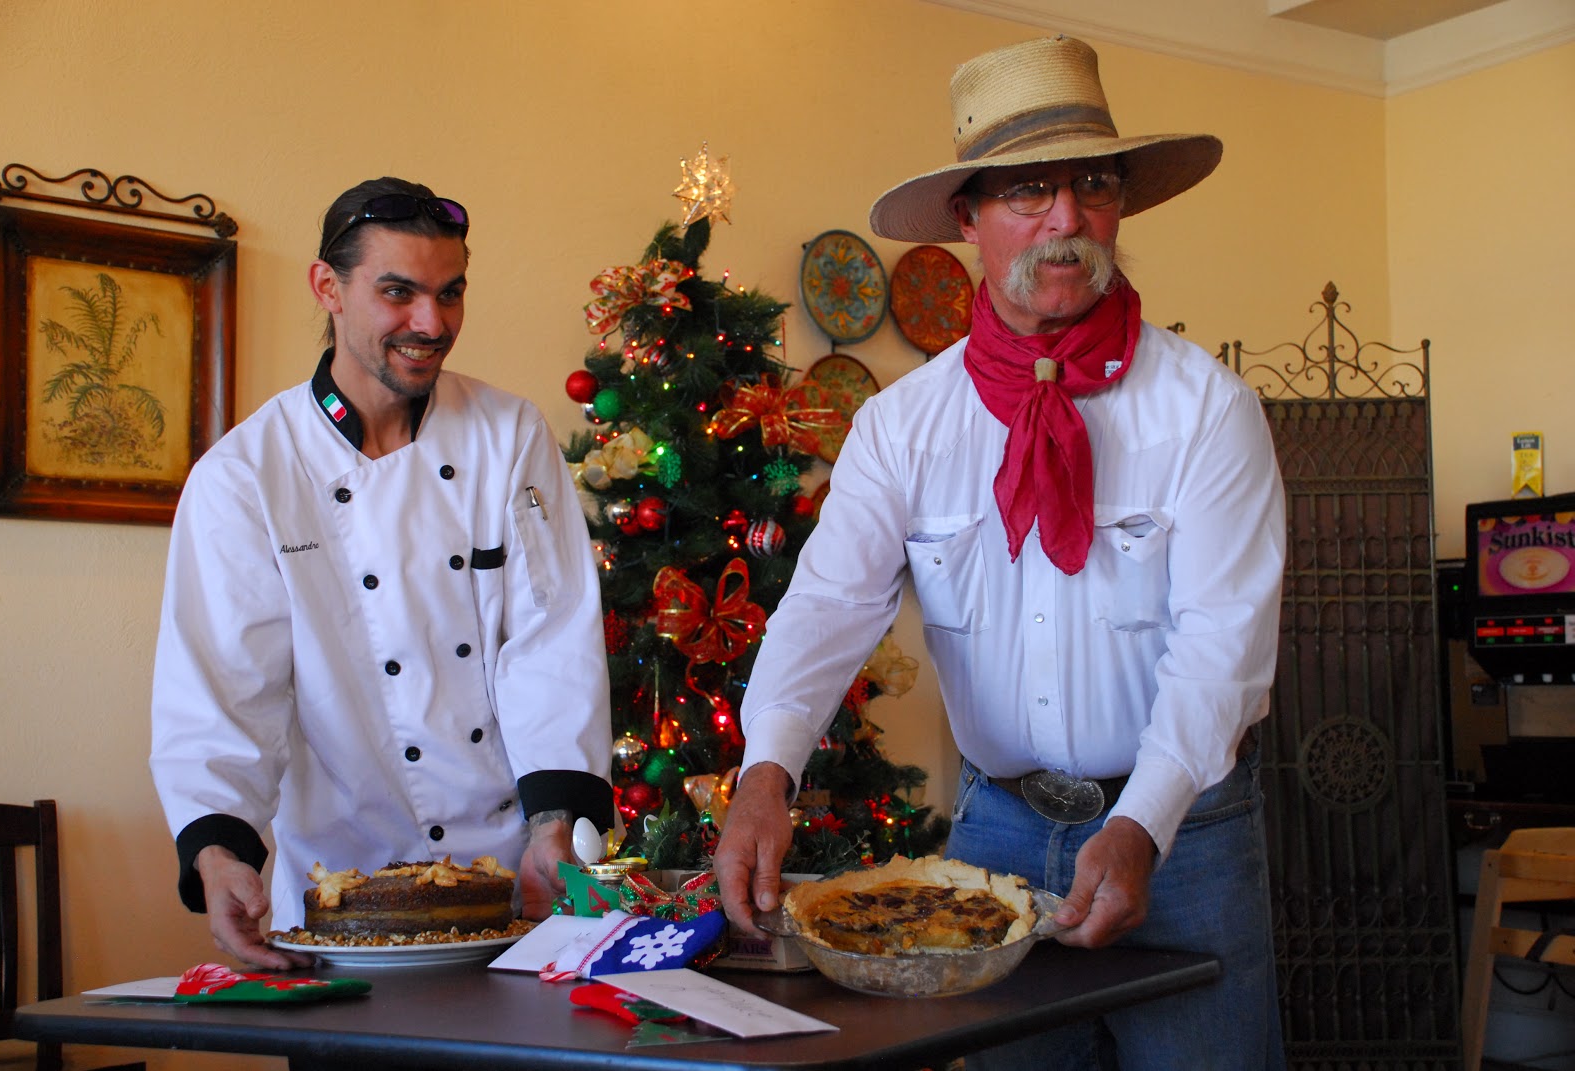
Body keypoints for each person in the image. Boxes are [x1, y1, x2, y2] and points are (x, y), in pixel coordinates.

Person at [715, 35, 1287, 1070]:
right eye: (1028, 190)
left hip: (1187, 836)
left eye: (1092, 185)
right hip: (998, 838)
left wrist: (1143, 821)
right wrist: (766, 773)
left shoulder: (1208, 412)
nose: (1064, 219)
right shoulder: (901, 428)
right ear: (968, 219)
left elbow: (1223, 648)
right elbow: (827, 608)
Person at [150, 177, 613, 970]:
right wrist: (219, 852)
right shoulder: (247, 475)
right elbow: (222, 686)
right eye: (398, 292)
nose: (431, 323)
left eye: (450, 293)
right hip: (340, 906)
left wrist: (554, 826)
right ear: (327, 287)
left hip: (511, 891)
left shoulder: (509, 435)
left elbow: (550, 639)